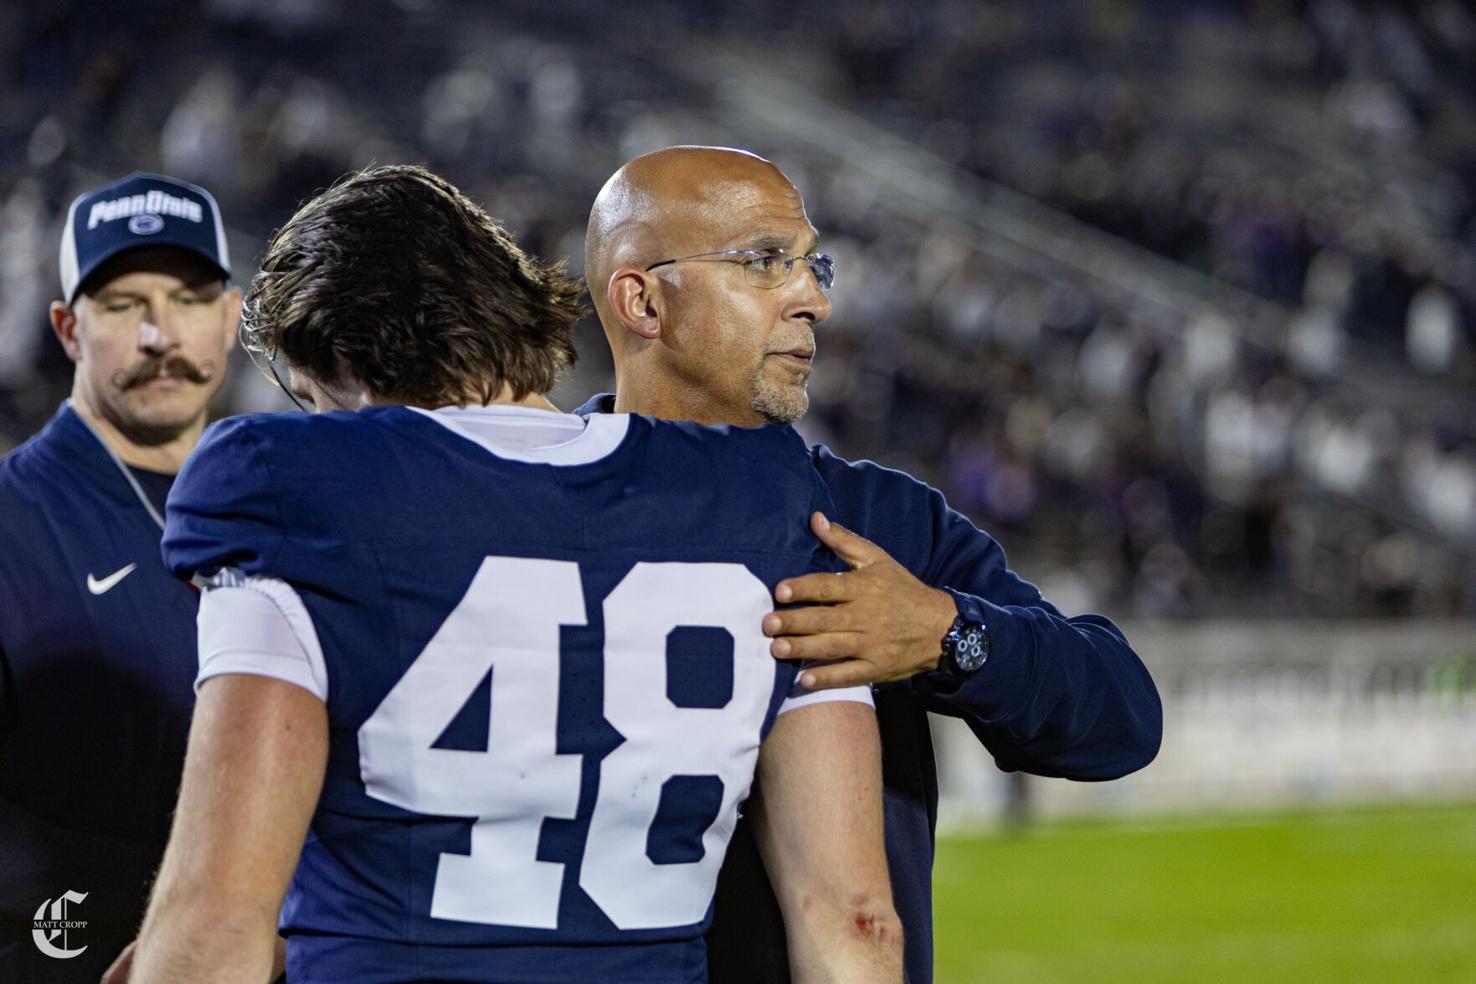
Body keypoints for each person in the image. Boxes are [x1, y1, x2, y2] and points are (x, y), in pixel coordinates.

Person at [129, 165, 902, 984]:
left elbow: (216, 925)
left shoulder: (292, 484)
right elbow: (854, 921)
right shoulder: (765, 496)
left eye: (317, 401)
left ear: (347, 363)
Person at [581, 145, 1165, 984]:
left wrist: (950, 635)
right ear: (643, 299)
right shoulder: (515, 506)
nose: (812, 298)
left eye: (812, 263)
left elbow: (1121, 718)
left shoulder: (879, 520)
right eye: (763, 262)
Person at [0, 172, 240, 983]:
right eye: (122, 304)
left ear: (233, 318)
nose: (159, 335)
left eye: (188, 299)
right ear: (68, 328)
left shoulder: (289, 518)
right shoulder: (11, 524)